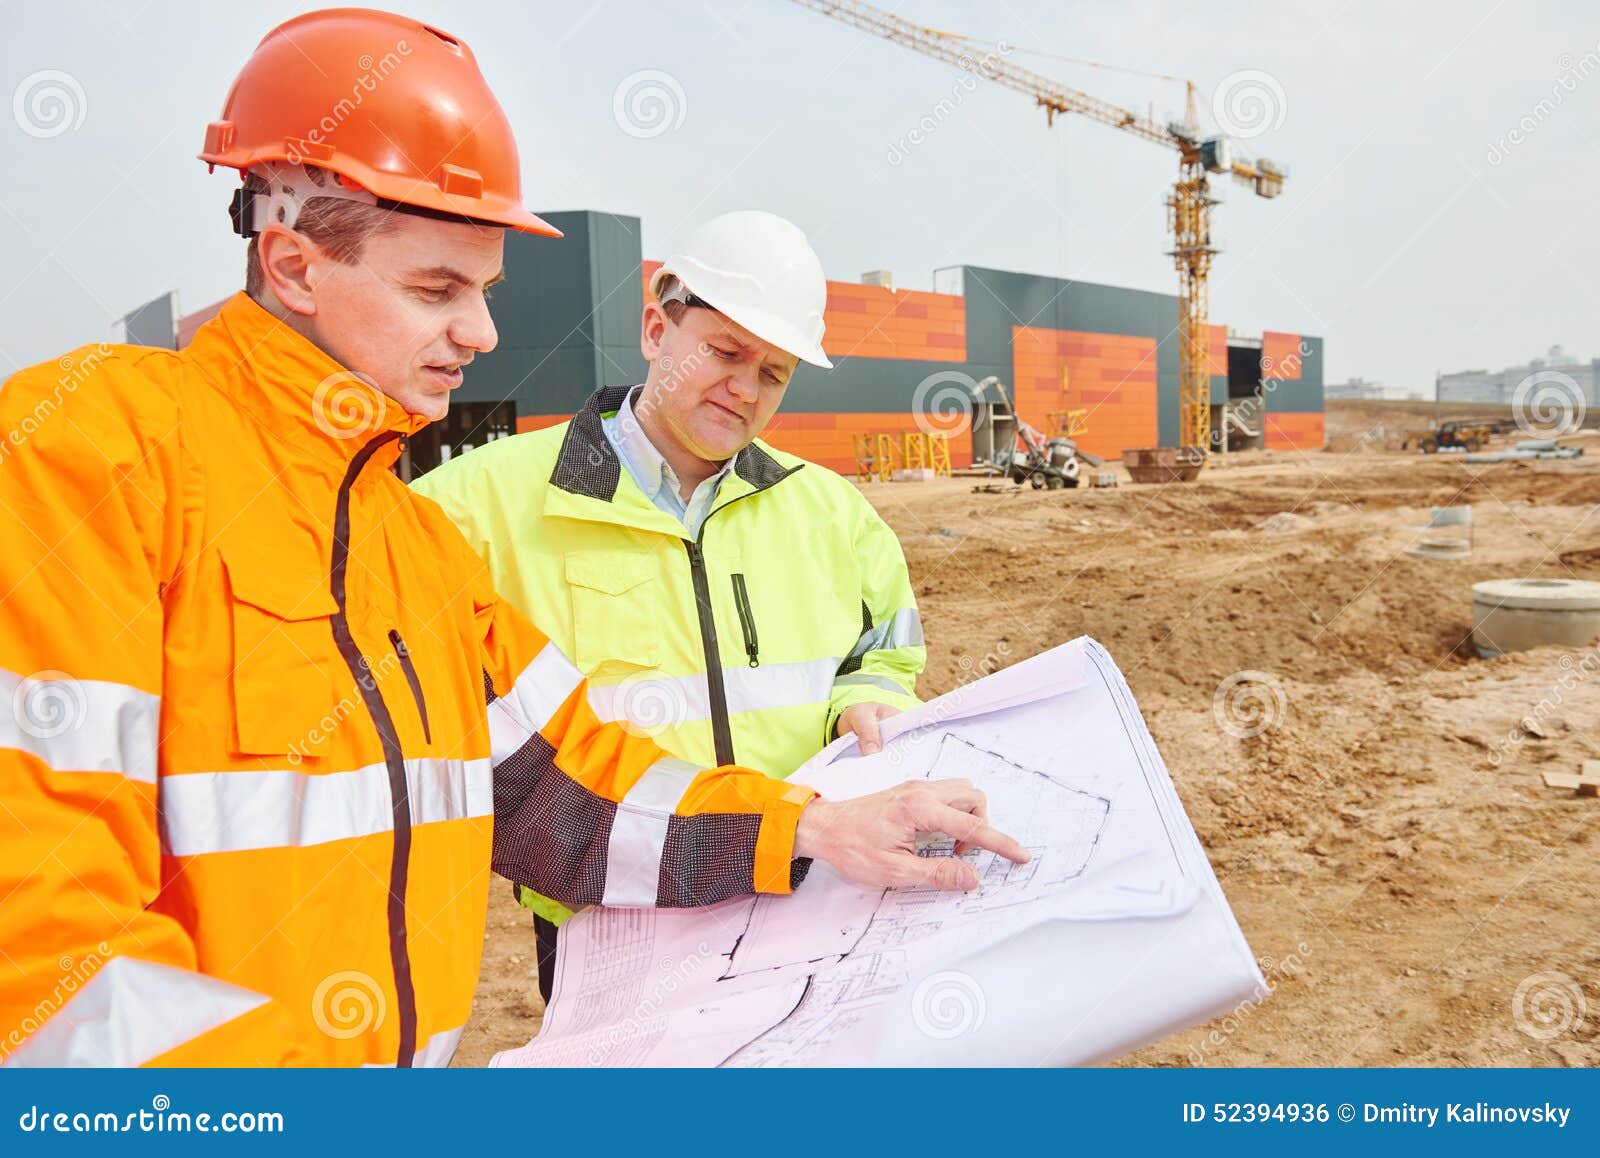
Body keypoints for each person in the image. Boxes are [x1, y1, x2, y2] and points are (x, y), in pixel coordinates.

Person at [0, 8, 1025, 1067]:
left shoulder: (415, 547)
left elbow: (560, 788)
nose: (481, 333)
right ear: (295, 266)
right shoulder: (97, 456)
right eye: (435, 290)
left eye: (483, 293)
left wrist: (812, 829)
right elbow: (41, 942)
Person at [414, 210, 927, 1000]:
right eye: (725, 352)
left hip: (807, 882)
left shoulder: (831, 513)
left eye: (773, 374)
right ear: (657, 328)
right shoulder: (474, 508)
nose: (744, 390)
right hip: (610, 912)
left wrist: (866, 698)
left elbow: (883, 650)